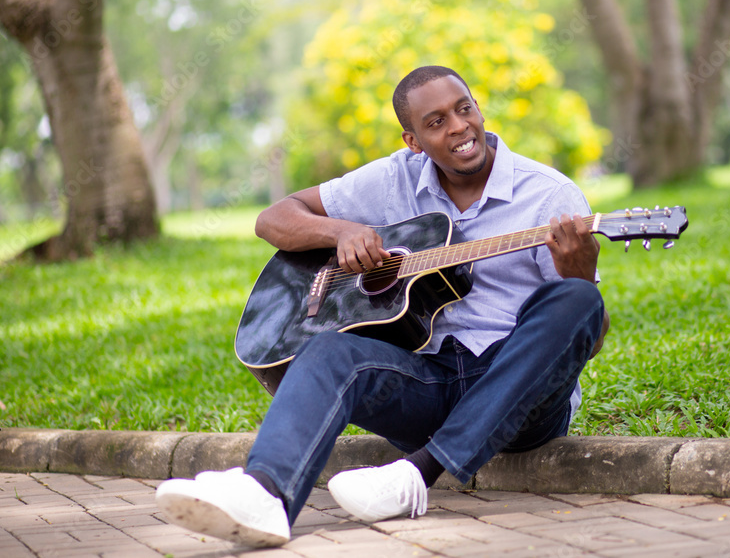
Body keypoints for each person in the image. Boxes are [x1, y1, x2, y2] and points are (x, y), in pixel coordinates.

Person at [155, 65, 610, 547]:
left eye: (464, 108)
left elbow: (586, 340)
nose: (458, 126)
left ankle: (416, 476)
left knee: (579, 299)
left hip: (519, 397)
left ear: (478, 110)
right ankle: (264, 495)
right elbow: (275, 218)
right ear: (412, 141)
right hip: (426, 380)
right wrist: (342, 232)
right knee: (328, 351)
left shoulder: (550, 196)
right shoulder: (394, 178)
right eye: (435, 122)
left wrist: (579, 271)